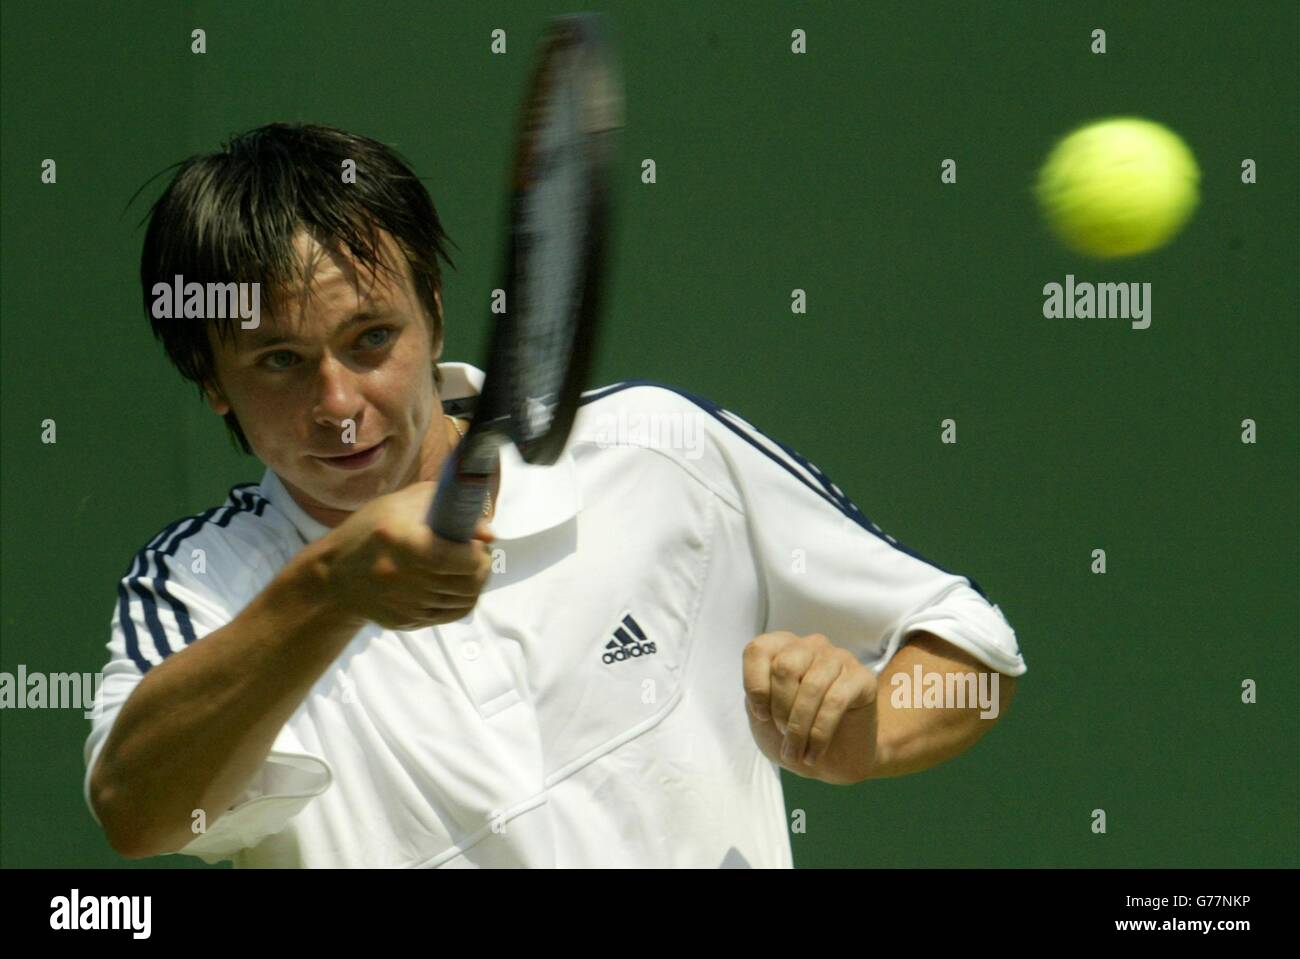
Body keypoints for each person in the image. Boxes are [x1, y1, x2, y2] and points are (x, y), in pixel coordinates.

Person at [84, 122, 1026, 868]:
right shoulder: (199, 585)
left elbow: (974, 652)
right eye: (281, 362)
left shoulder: (660, 448)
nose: (338, 405)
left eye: (372, 338)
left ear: (434, 310)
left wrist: (867, 733)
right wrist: (326, 589)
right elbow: (140, 814)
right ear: (211, 379)